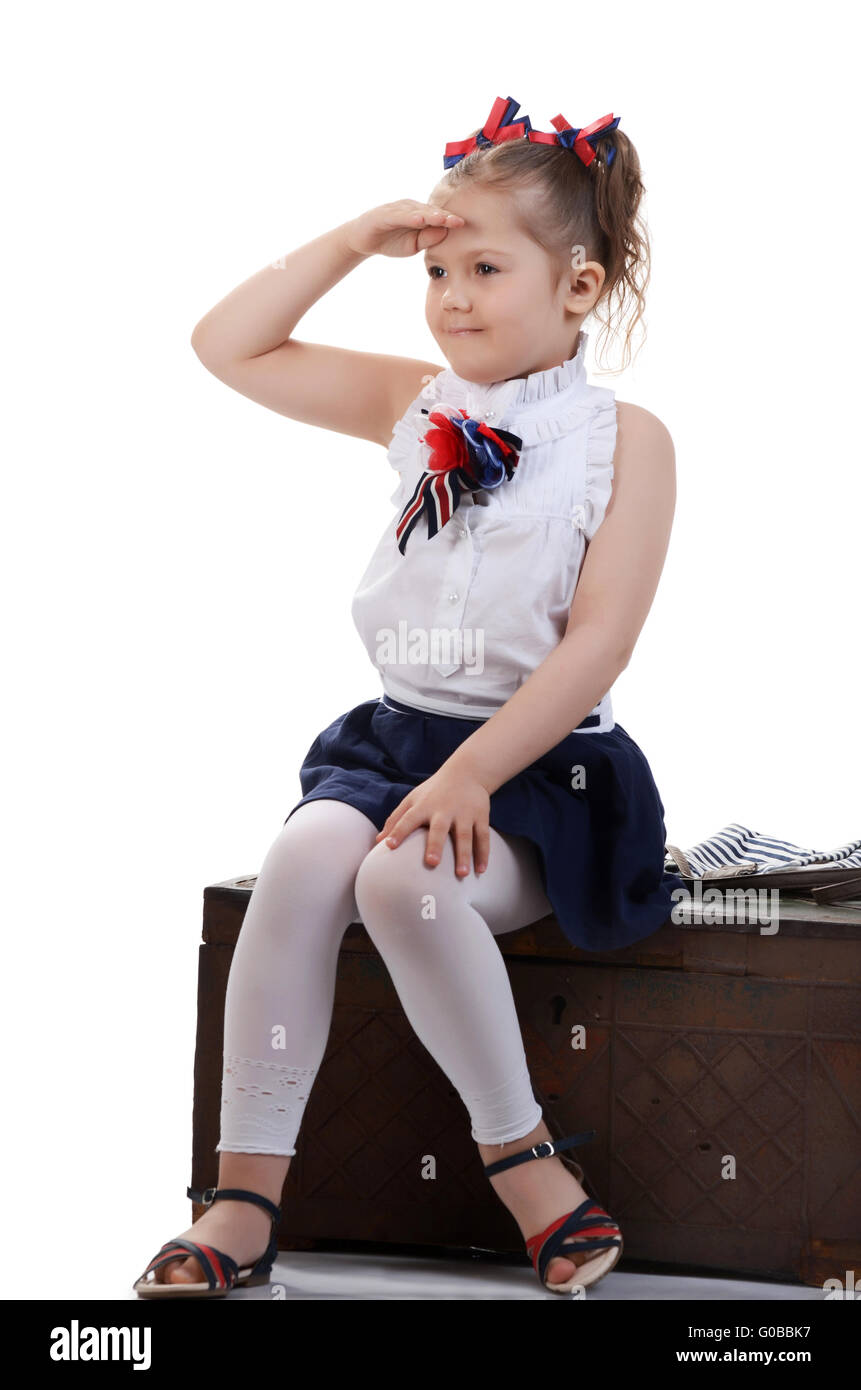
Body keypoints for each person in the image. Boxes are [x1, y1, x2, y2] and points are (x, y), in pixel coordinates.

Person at [134, 96, 684, 1299]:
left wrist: (475, 773)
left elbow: (598, 645)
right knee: (301, 861)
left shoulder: (621, 441)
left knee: (398, 878)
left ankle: (524, 1157)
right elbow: (227, 346)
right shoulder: (415, 405)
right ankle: (244, 1194)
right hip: (391, 747)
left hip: (539, 774)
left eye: (486, 266)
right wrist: (348, 242)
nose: (451, 294)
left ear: (580, 288)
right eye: (435, 268)